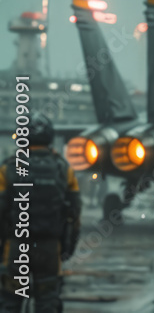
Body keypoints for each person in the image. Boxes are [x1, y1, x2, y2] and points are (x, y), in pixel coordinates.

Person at [0, 113, 81, 313]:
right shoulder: (63, 169)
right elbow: (75, 212)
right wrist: (68, 246)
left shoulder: (8, 169)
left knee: (11, 303)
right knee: (47, 302)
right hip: (50, 248)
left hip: (16, 248)